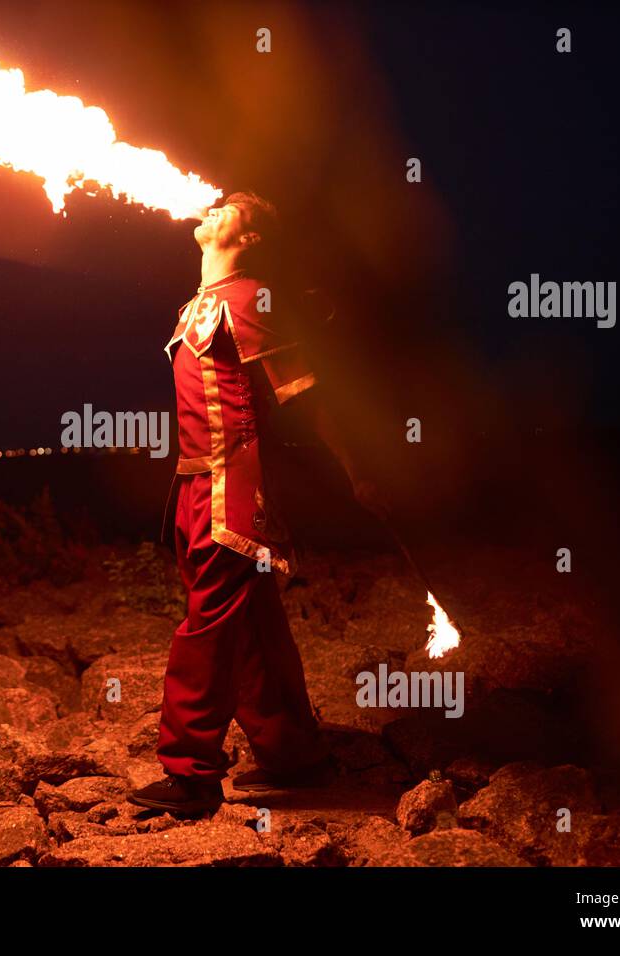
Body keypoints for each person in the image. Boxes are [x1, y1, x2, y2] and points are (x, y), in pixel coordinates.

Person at [127, 191, 384, 815]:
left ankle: (190, 775)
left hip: (230, 490)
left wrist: (360, 470)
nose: (214, 205)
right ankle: (297, 757)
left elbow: (308, 397)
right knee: (254, 632)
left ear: (254, 238)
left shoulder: (249, 298)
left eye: (233, 204)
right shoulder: (199, 305)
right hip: (192, 485)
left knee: (208, 627)